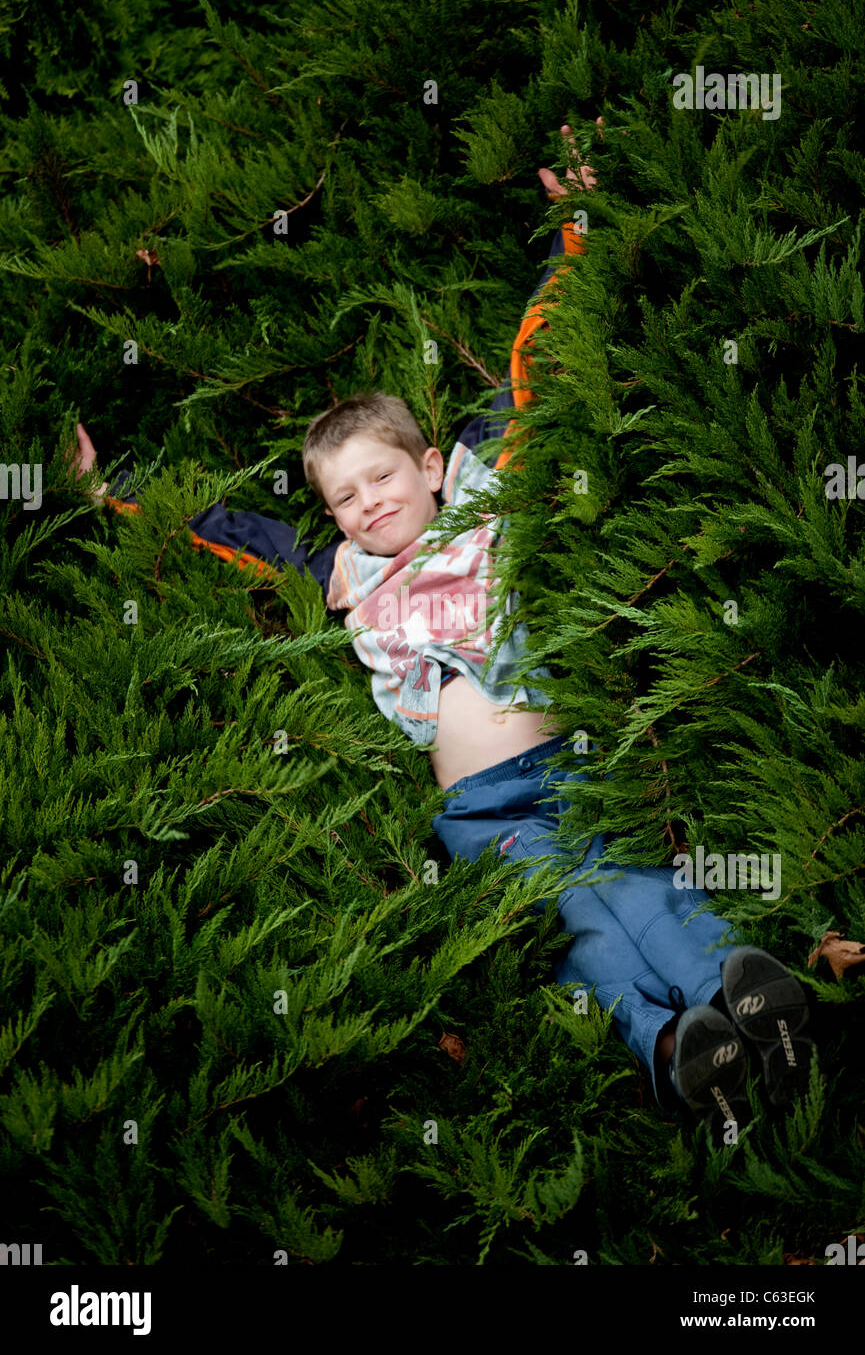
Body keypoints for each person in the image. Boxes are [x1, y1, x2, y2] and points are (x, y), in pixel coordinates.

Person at [71, 122, 815, 1144]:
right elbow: (214, 539)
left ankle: (739, 992)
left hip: (575, 752)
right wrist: (109, 492)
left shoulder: (482, 485)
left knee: (640, 879)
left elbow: (535, 360)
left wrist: (576, 227)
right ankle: (669, 1046)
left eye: (380, 476)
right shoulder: (341, 575)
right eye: (342, 497)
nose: (366, 503)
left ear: (429, 466)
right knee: (576, 919)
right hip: (477, 807)